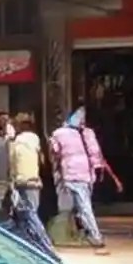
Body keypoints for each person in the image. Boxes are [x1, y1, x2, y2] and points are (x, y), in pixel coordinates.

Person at [49, 107, 116, 255]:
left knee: (80, 207)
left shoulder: (59, 134)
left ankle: (94, 236)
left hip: (71, 174)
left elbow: (54, 153)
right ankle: (84, 232)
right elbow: (96, 154)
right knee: (83, 205)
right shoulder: (88, 133)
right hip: (87, 175)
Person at [7, 113, 57, 260]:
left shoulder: (17, 142)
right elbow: (42, 161)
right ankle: (31, 242)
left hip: (23, 182)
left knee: (29, 214)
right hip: (35, 181)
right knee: (27, 213)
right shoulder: (36, 141)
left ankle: (46, 245)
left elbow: (12, 164)